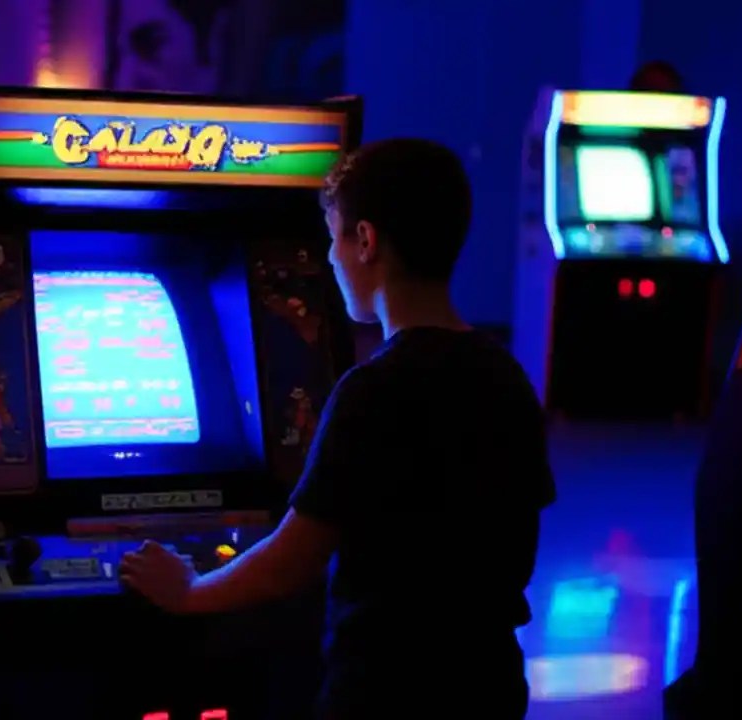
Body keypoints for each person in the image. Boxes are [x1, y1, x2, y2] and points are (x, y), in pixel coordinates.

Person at [120, 139, 556, 718]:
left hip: (385, 689)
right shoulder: (507, 377)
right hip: (487, 682)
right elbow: (516, 546)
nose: (328, 258)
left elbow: (290, 562)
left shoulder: (372, 391)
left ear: (366, 240)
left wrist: (190, 589)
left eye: (333, 236)